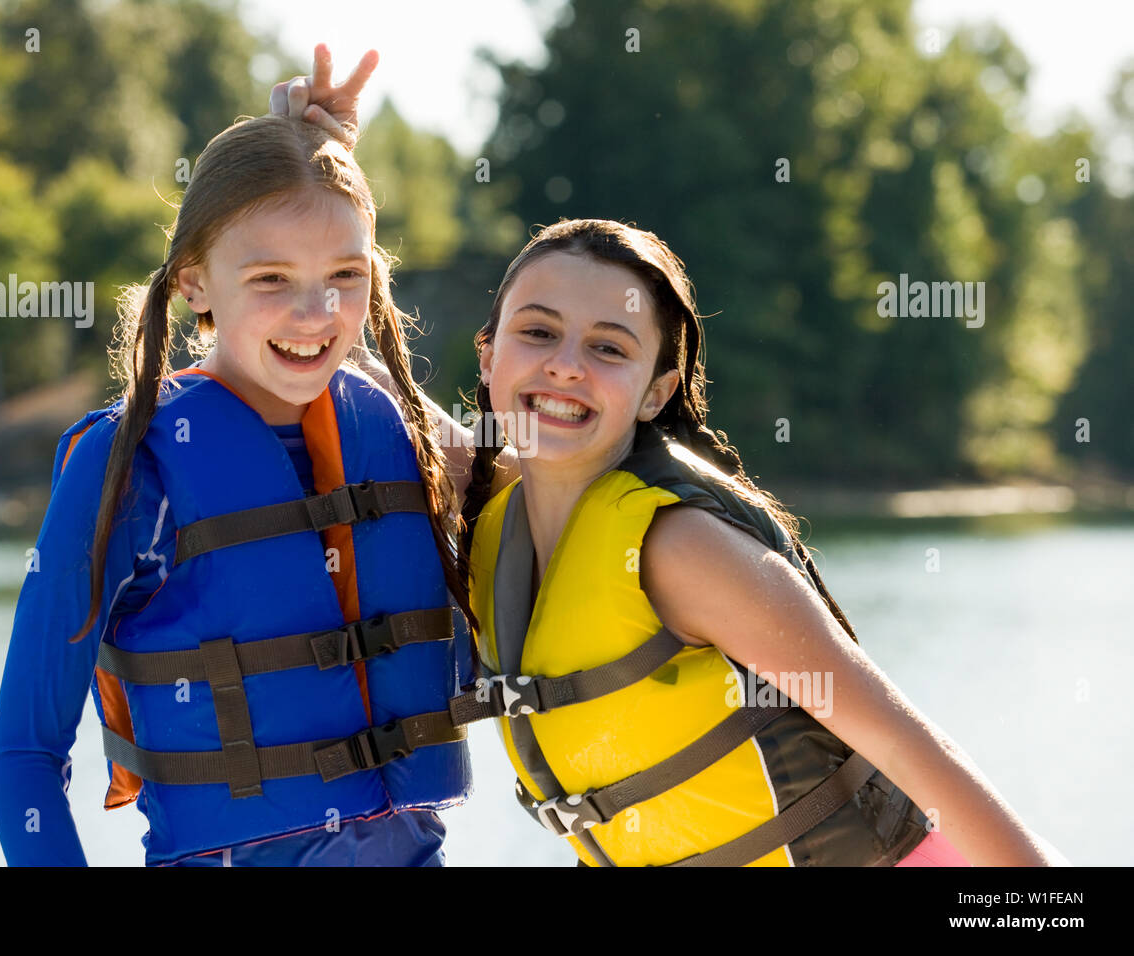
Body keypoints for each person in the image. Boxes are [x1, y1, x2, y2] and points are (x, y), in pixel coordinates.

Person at [454, 218, 1066, 866]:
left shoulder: (681, 547)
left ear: (656, 392)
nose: (566, 366)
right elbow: (353, 352)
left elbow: (902, 745)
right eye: (539, 332)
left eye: (609, 348)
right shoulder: (482, 507)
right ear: (488, 351)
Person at [0, 104, 500, 866]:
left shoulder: (401, 435)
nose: (315, 312)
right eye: (271, 277)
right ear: (195, 284)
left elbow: (548, 507)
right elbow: (23, 760)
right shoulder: (131, 465)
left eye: (344, 275)